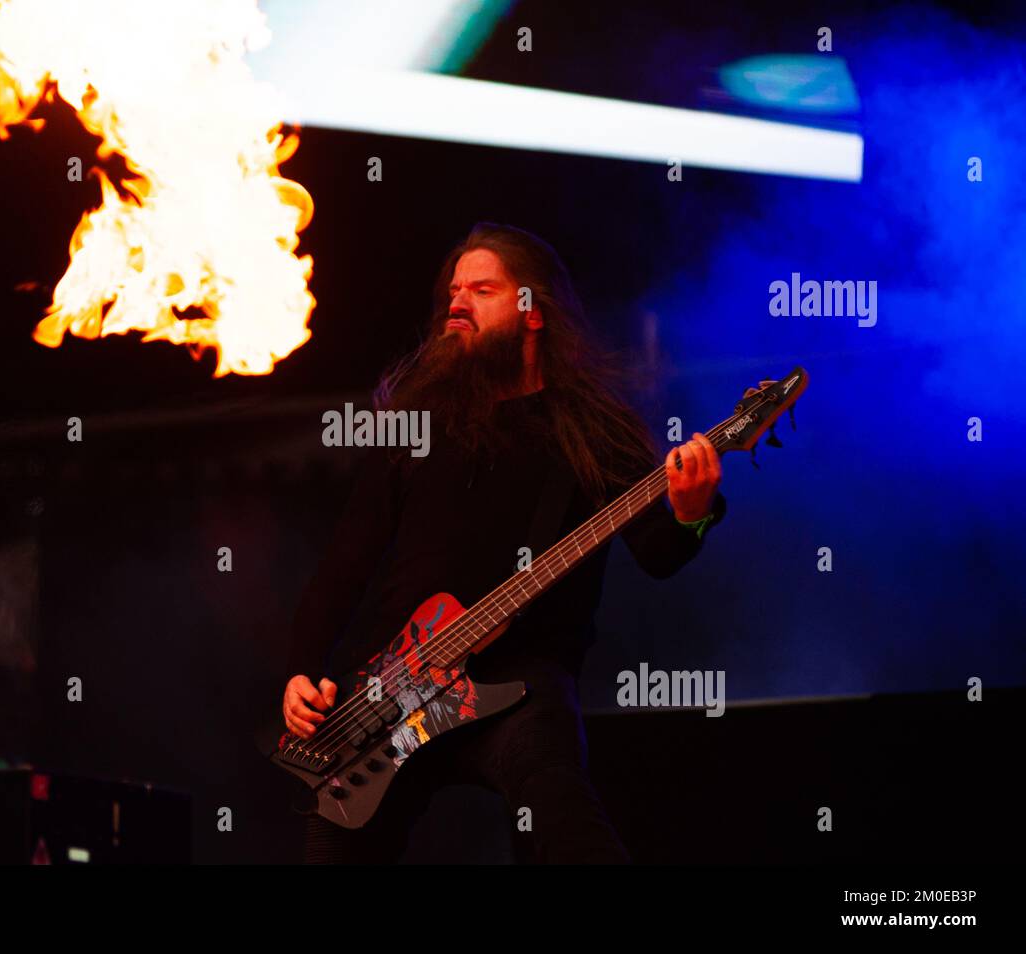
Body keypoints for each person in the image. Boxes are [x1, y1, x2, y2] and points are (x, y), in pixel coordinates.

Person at [280, 222, 724, 863]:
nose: (457, 303)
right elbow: (348, 559)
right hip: (388, 691)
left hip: (520, 681)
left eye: (482, 289)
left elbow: (659, 553)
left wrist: (691, 512)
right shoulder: (416, 419)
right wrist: (300, 669)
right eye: (454, 291)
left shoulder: (591, 426)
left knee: (564, 821)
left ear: (532, 311)